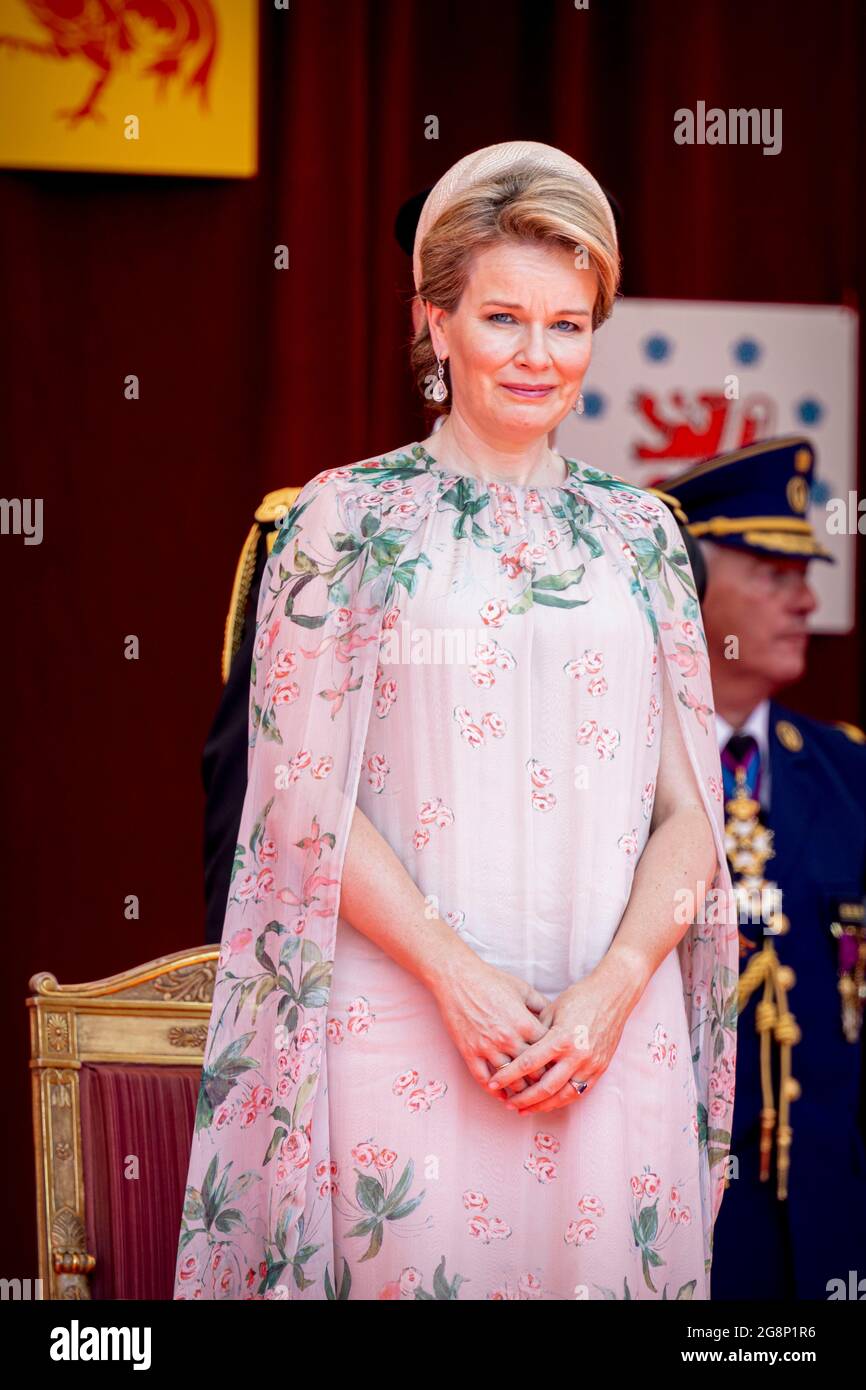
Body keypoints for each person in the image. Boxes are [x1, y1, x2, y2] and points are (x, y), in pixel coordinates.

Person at [175, 140, 737, 1301]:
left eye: (568, 323)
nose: (538, 356)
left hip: (607, 1040)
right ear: (432, 321)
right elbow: (295, 797)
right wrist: (457, 976)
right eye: (501, 318)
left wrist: (617, 983)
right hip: (405, 1030)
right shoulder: (340, 519)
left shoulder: (644, 537)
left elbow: (690, 812)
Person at [664, 437, 866, 1300]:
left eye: (804, 573)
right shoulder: (624, 771)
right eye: (775, 574)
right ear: (694, 584)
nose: (807, 599)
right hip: (682, 1215)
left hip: (831, 1224)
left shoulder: (848, 770)